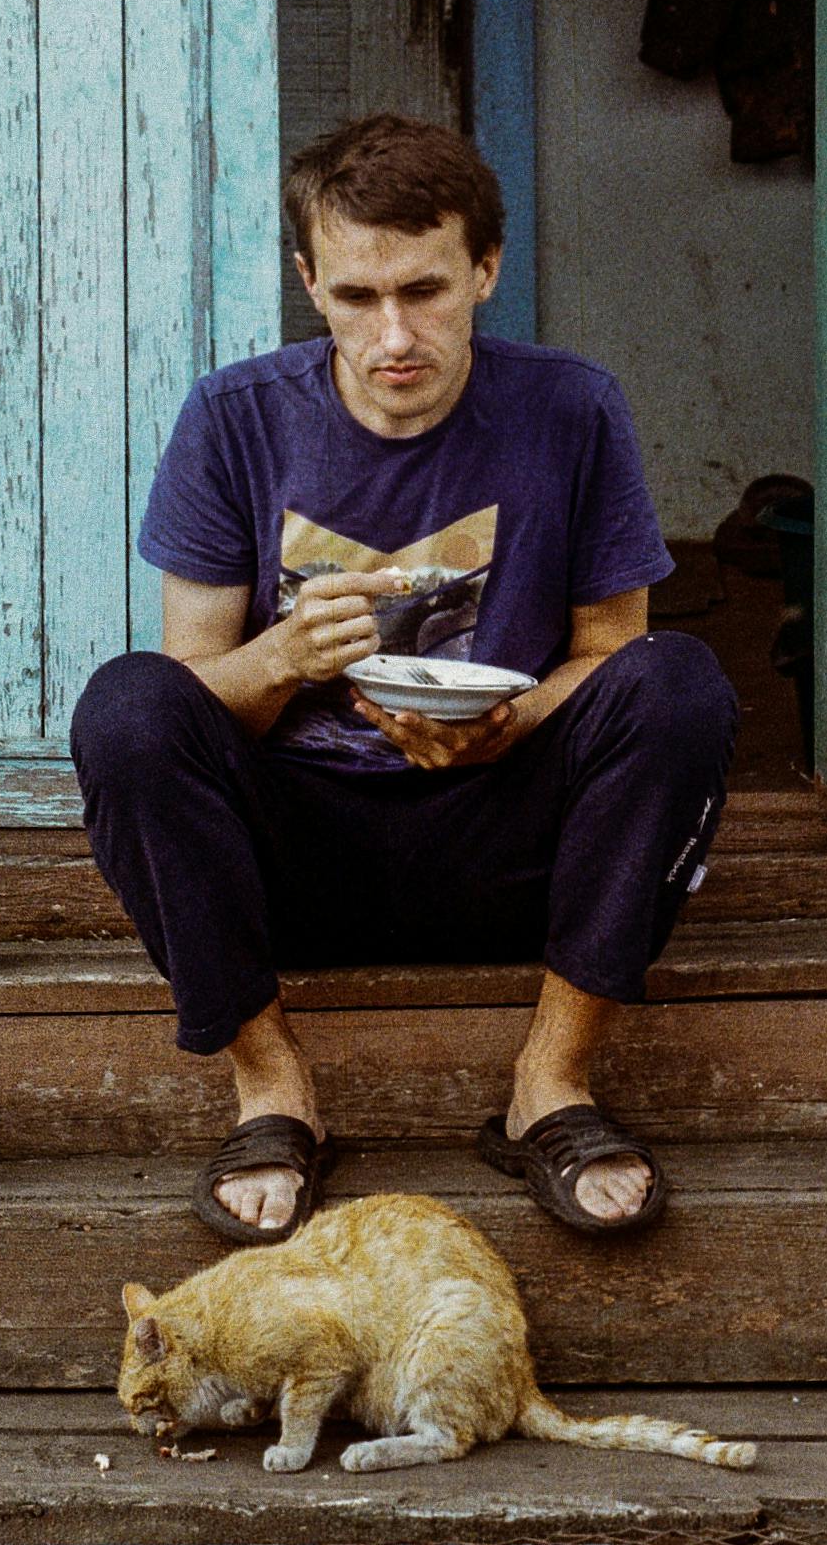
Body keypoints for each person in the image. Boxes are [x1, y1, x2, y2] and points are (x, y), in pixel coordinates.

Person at [70, 113, 738, 1244]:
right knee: (126, 703)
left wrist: (511, 717)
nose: (393, 334)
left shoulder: (570, 408)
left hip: (506, 843)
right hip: (295, 862)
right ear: (308, 284)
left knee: (681, 681)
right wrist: (280, 655)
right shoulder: (235, 419)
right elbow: (191, 692)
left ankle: (551, 1085)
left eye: (424, 289)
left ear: (484, 268)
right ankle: (272, 1090)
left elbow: (614, 650)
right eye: (355, 296)